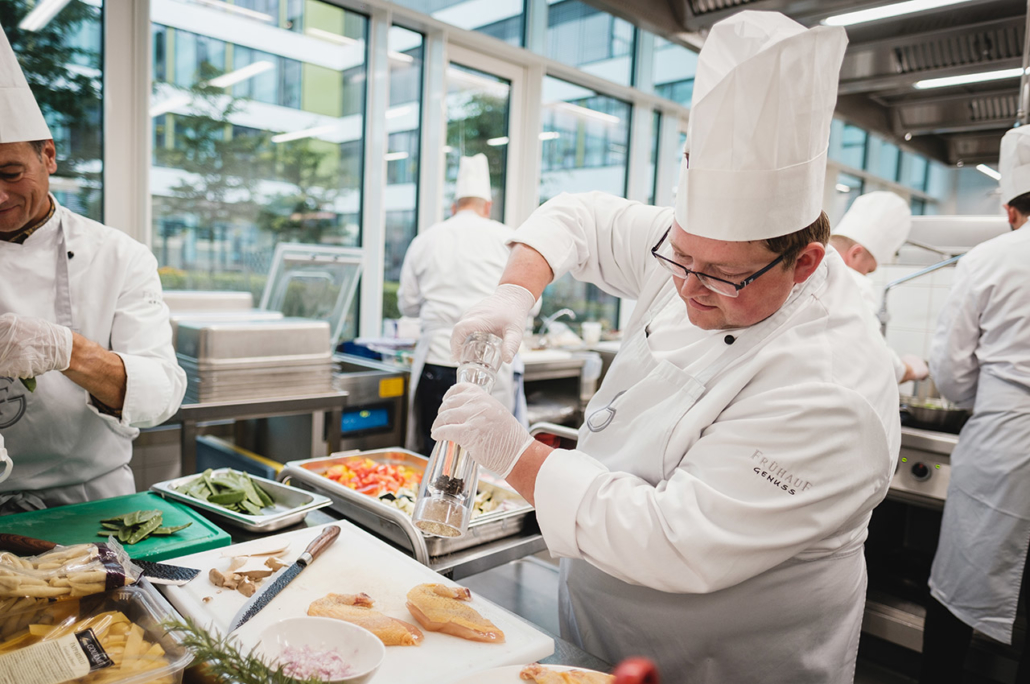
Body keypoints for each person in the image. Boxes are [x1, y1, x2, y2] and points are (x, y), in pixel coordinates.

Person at [431, 11, 900, 682]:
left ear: (804, 263)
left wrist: (516, 455)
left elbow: (674, 541)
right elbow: (580, 217)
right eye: (678, 259)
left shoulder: (831, 386)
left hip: (730, 659)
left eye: (720, 276)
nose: (687, 288)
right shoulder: (700, 247)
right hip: (602, 628)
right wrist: (514, 292)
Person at [0, 25, 186, 514]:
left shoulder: (119, 256)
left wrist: (69, 350)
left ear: (49, 155)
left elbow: (162, 392)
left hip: (92, 499)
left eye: (10, 173)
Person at [920, 125, 1030, 683]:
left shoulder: (989, 260)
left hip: (1003, 438)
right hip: (1005, 428)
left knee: (962, 572)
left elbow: (950, 367)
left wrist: (979, 402)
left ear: (1011, 208)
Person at [397, 154, 537, 456]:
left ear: (453, 207)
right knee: (485, 457)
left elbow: (408, 305)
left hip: (437, 361)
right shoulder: (507, 238)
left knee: (434, 455)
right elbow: (529, 305)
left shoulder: (426, 239)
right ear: (488, 207)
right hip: (489, 366)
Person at [830, 191, 929, 383]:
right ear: (855, 254)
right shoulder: (852, 282)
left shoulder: (803, 269)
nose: (865, 276)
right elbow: (875, 359)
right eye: (868, 269)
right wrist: (910, 369)